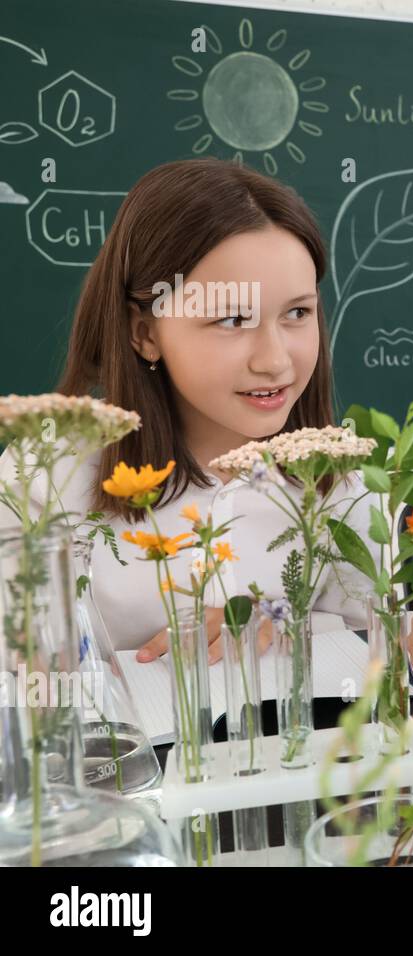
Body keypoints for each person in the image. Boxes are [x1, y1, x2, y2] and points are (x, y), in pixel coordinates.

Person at [0, 159, 374, 660]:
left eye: (297, 313)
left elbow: (389, 652)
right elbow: (18, 669)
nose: (276, 360)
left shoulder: (341, 485)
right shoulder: (45, 475)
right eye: (232, 319)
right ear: (146, 333)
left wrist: (284, 628)